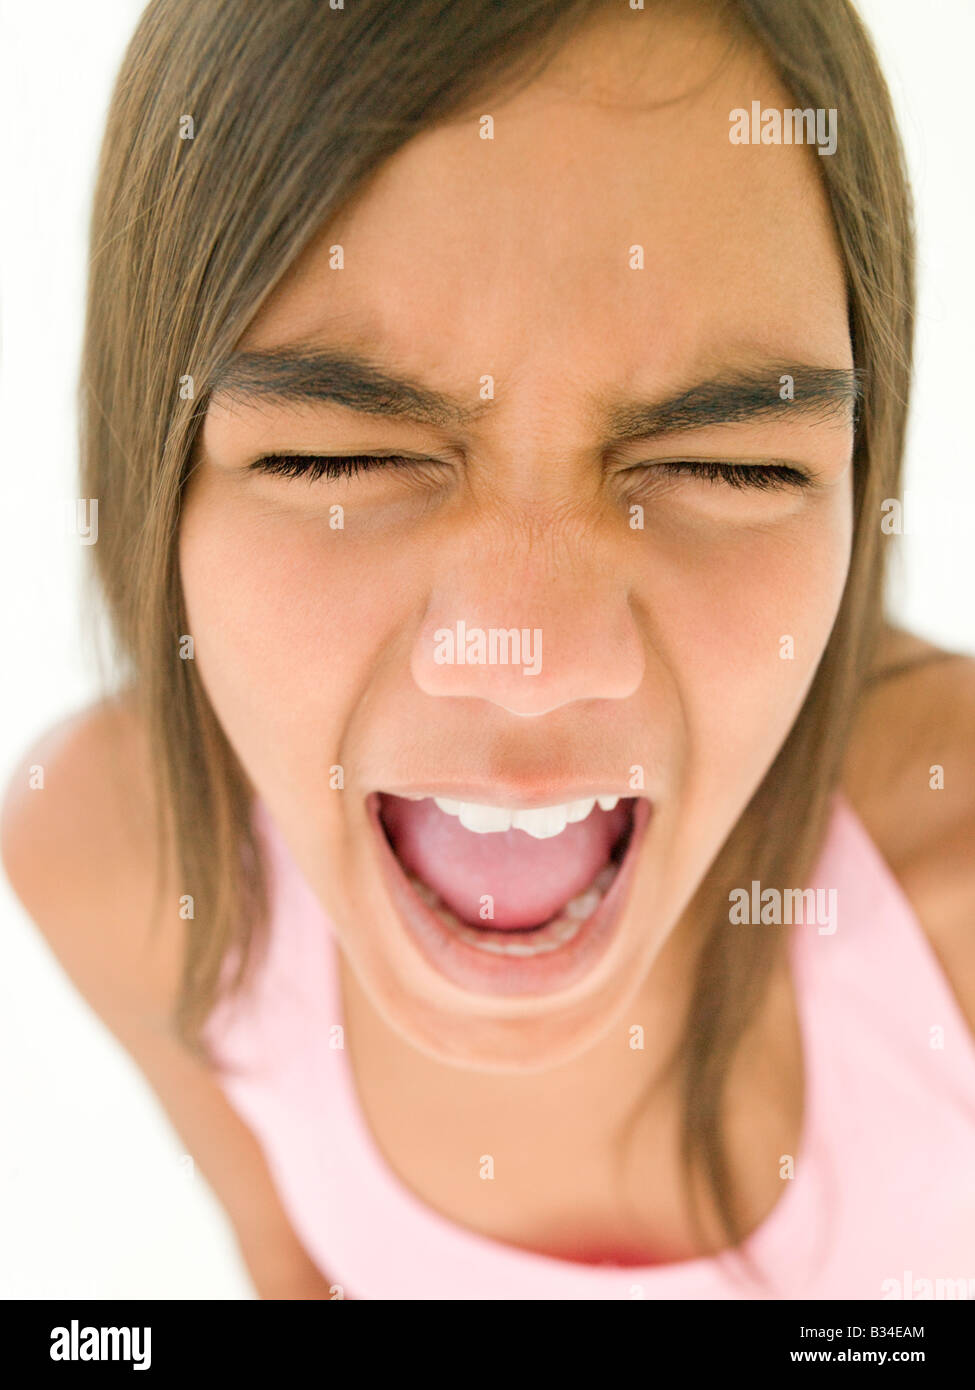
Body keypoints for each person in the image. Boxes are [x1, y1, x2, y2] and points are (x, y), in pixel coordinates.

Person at [3, 0, 974, 1299]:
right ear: (158, 490)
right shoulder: (107, 864)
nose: (531, 657)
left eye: (726, 465)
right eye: (334, 459)